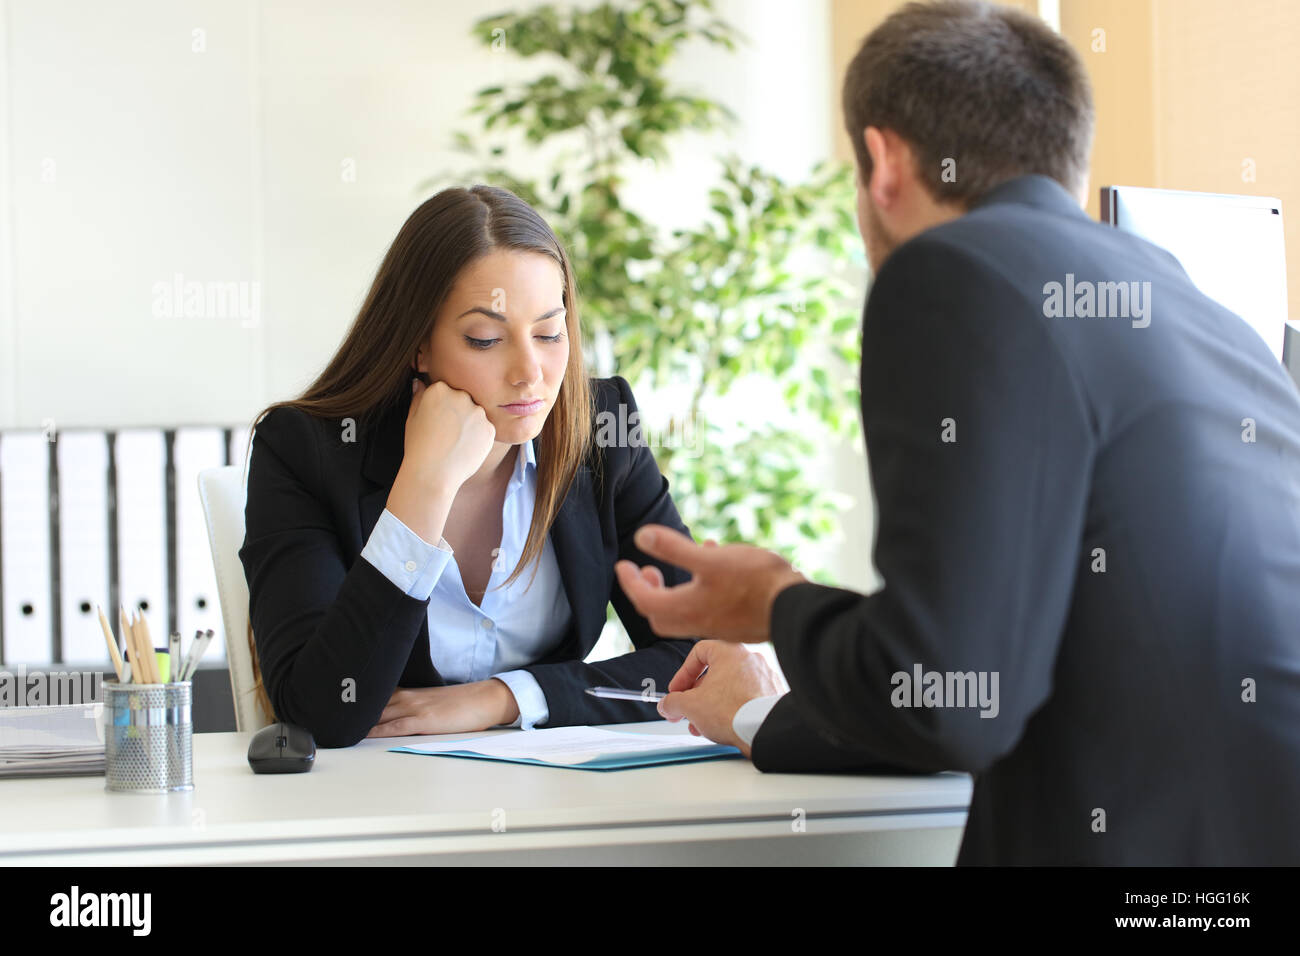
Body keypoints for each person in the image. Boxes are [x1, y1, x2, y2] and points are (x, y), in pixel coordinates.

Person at [614, 0, 1300, 864]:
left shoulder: (951, 270)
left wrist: (777, 603)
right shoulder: (1213, 320)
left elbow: (948, 698)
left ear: (883, 160)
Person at [239, 185, 697, 748]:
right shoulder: (303, 451)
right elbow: (319, 713)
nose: (530, 372)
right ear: (418, 345)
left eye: (551, 333)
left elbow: (698, 659)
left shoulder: (601, 427)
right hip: (377, 802)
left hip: (551, 792)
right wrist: (423, 487)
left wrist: (505, 698)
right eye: (485, 339)